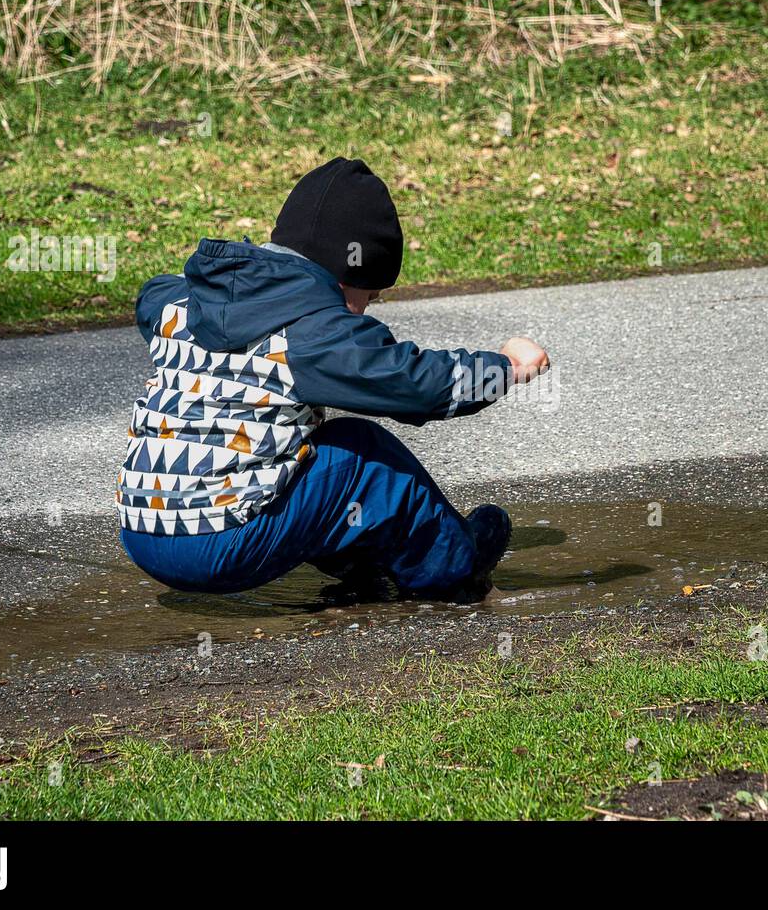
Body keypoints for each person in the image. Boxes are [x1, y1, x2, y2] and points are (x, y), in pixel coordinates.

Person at [116, 157, 549, 601]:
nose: (364, 311)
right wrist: (505, 367)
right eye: (368, 296)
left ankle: (362, 559)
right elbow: (415, 384)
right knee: (362, 453)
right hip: (213, 546)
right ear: (343, 274)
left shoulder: (179, 306)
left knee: (305, 453)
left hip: (139, 530)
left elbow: (151, 295)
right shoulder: (310, 333)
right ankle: (455, 567)